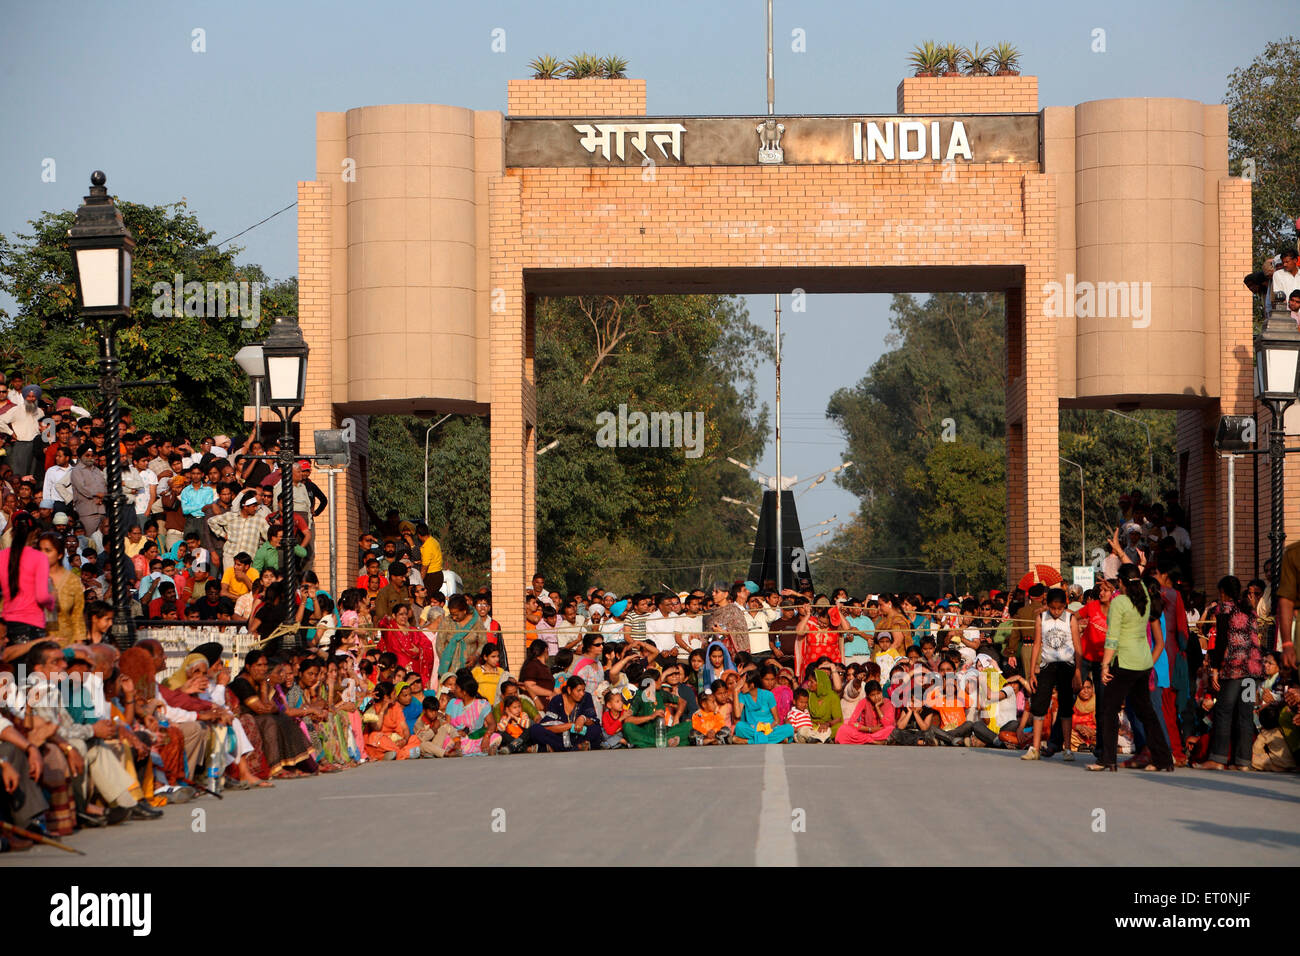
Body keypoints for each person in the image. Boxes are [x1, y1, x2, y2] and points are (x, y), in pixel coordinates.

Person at [1089, 565, 1174, 772]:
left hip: (1125, 662)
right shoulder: (1144, 596)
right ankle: (1164, 760)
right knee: (1147, 712)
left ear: (1121, 583)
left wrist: (1105, 665)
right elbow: (1138, 579)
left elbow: (1113, 637)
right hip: (1143, 663)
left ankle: (1107, 759)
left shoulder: (1120, 602)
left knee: (1109, 710)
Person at [1195, 576, 1264, 771]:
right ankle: (1243, 761)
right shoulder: (1249, 610)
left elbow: (1221, 643)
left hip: (1234, 669)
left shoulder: (1225, 610)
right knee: (1245, 712)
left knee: (1224, 711)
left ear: (1223, 592)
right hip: (1253, 670)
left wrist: (1215, 670)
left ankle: (1218, 758)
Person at [1022, 587, 1083, 762]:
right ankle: (1035, 748)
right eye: (1053, 608)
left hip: (1067, 665)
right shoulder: (1041, 618)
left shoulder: (1070, 619)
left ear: (1065, 605)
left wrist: (1078, 671)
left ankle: (1068, 748)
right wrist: (1032, 671)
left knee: (1065, 706)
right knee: (1040, 705)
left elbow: (1078, 647)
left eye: (1059, 608)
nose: (1056, 612)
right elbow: (1036, 645)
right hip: (1047, 665)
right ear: (1047, 605)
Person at [0, 512, 54, 643]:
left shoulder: (2, 556)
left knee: (16, 661)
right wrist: (52, 601)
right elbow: (42, 596)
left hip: (7, 622)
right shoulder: (39, 557)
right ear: (35, 532)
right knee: (25, 663)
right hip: (31, 624)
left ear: (12, 532)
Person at [443, 669, 501, 756]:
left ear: (464, 692)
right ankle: (481, 750)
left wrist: (486, 737)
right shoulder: (452, 703)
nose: (454, 689)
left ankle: (463, 751)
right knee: (446, 740)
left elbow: (492, 724)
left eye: (457, 687)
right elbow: (447, 725)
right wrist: (456, 733)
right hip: (456, 739)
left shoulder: (482, 704)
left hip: (475, 738)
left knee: (496, 737)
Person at [732, 669, 795, 744]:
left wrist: (768, 728)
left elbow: (777, 720)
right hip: (753, 728)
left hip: (769, 729)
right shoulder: (743, 695)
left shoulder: (768, 695)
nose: (740, 686)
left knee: (789, 728)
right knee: (739, 726)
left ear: (751, 685)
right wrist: (735, 691)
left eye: (742, 684)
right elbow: (737, 715)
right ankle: (777, 740)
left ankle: (748, 741)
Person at [836, 680, 894, 744]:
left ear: (881, 692)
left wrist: (877, 708)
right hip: (867, 733)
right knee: (843, 729)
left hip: (881, 733)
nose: (876, 697)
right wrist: (870, 729)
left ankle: (866, 740)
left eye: (878, 693)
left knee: (891, 729)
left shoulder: (887, 702)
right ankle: (872, 741)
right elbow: (852, 723)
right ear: (868, 696)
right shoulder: (864, 702)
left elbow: (887, 724)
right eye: (872, 695)